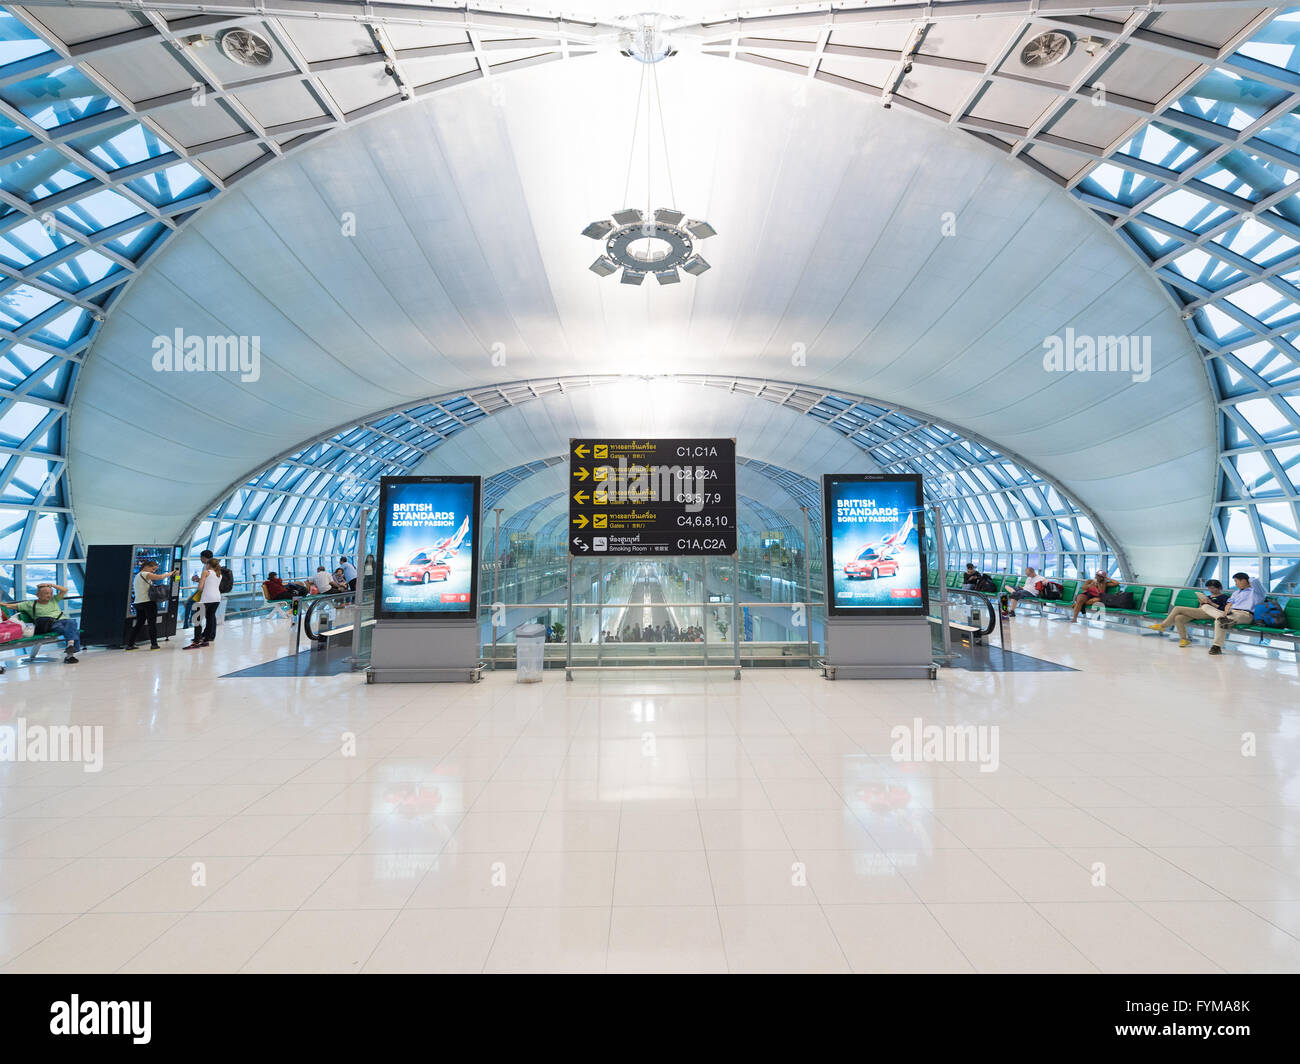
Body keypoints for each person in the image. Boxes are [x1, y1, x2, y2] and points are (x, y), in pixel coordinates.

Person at [1, 582, 80, 663]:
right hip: (49, 625)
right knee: (72, 628)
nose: (49, 595)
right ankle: (70, 655)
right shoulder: (30, 604)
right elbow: (8, 606)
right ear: (38, 594)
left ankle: (70, 645)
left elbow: (65, 590)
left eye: (51, 593)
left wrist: (51, 585)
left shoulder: (54, 600)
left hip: (64, 621)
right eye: (46, 593)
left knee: (71, 623)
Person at [1147, 579, 1229, 647]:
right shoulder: (1208, 597)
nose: (1210, 590)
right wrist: (1202, 603)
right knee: (1178, 618)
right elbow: (1201, 608)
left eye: (1212, 588)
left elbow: (1223, 609)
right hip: (1201, 612)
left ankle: (1163, 625)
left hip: (1211, 614)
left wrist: (1211, 603)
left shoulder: (1224, 597)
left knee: (1177, 608)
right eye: (1209, 588)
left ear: (1219, 588)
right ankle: (1184, 640)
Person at [1205, 572, 1264, 655]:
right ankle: (1222, 617)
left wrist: (1246, 579)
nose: (1235, 584)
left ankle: (1216, 646)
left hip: (1246, 614)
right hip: (1231, 613)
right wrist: (1226, 611)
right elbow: (1228, 604)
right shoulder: (1236, 593)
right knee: (1206, 607)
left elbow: (1254, 580)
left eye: (1236, 581)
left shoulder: (1256, 592)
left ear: (1243, 581)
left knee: (1218, 621)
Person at [124, 560, 177, 650]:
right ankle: (154, 644)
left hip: (138, 603)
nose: (153, 571)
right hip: (148, 602)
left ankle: (130, 644)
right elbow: (160, 577)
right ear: (147, 566)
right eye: (153, 569)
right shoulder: (145, 574)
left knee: (139, 624)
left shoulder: (137, 576)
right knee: (152, 624)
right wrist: (172, 573)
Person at [186, 558, 223, 649]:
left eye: (206, 564)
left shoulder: (206, 572)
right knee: (210, 618)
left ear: (209, 565)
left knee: (197, 619)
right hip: (217, 598)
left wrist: (199, 582)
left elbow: (200, 588)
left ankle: (196, 641)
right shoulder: (219, 574)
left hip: (206, 598)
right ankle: (206, 640)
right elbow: (211, 584)